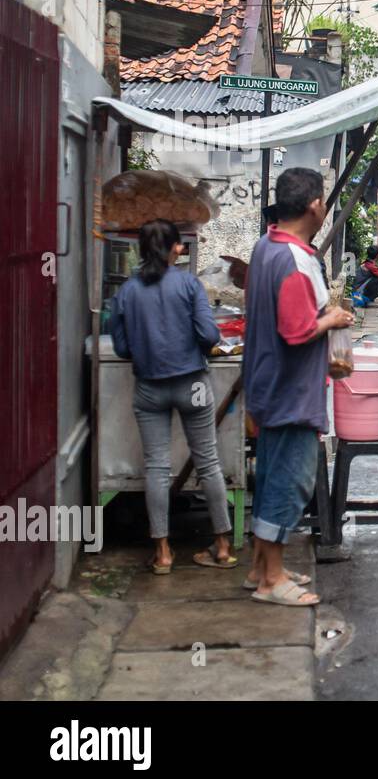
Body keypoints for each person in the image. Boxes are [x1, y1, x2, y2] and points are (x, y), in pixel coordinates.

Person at [242, 168, 353, 605]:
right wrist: (333, 318)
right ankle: (271, 581)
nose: (325, 207)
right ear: (314, 207)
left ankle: (261, 568)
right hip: (291, 391)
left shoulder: (266, 246)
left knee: (270, 477)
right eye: (323, 200)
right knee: (290, 481)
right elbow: (296, 330)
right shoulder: (293, 260)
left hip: (267, 384)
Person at [109, 219, 234, 576]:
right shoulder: (188, 284)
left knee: (156, 468)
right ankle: (223, 546)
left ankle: (163, 553)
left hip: (149, 388)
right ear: (172, 249)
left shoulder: (127, 292)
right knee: (208, 462)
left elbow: (120, 346)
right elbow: (209, 333)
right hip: (192, 384)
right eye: (179, 245)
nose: (181, 250)